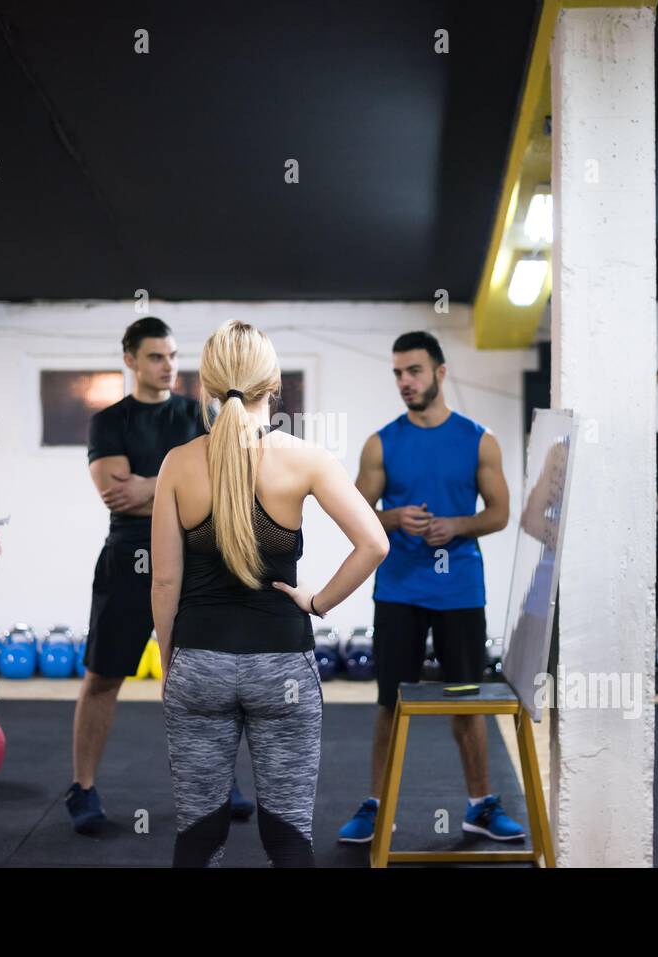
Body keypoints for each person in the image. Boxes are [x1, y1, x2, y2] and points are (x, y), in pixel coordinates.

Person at [153, 318, 389, 866]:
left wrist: (174, 664)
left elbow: (164, 580)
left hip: (200, 662)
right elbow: (374, 544)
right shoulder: (306, 459)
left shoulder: (178, 464)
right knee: (287, 839)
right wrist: (318, 602)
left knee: (198, 838)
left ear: (206, 387)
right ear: (274, 384)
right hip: (282, 665)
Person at [67, 317, 256, 833]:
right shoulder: (109, 421)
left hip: (196, 559)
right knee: (104, 676)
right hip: (128, 559)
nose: (168, 365)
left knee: (204, 678)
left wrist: (152, 486)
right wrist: (177, 483)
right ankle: (82, 788)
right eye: (155, 356)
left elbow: (221, 483)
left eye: (172, 356)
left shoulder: (201, 413)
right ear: (130, 359)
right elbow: (116, 493)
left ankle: (220, 782)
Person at [338, 331, 522, 844]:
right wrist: (393, 517)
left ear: (441, 373)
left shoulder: (479, 439)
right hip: (399, 589)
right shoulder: (382, 443)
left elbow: (501, 513)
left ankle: (480, 806)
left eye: (414, 371)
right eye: (397, 372)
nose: (404, 381)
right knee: (390, 702)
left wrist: (458, 526)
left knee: (466, 700)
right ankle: (379, 807)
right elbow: (354, 514)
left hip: (459, 591)